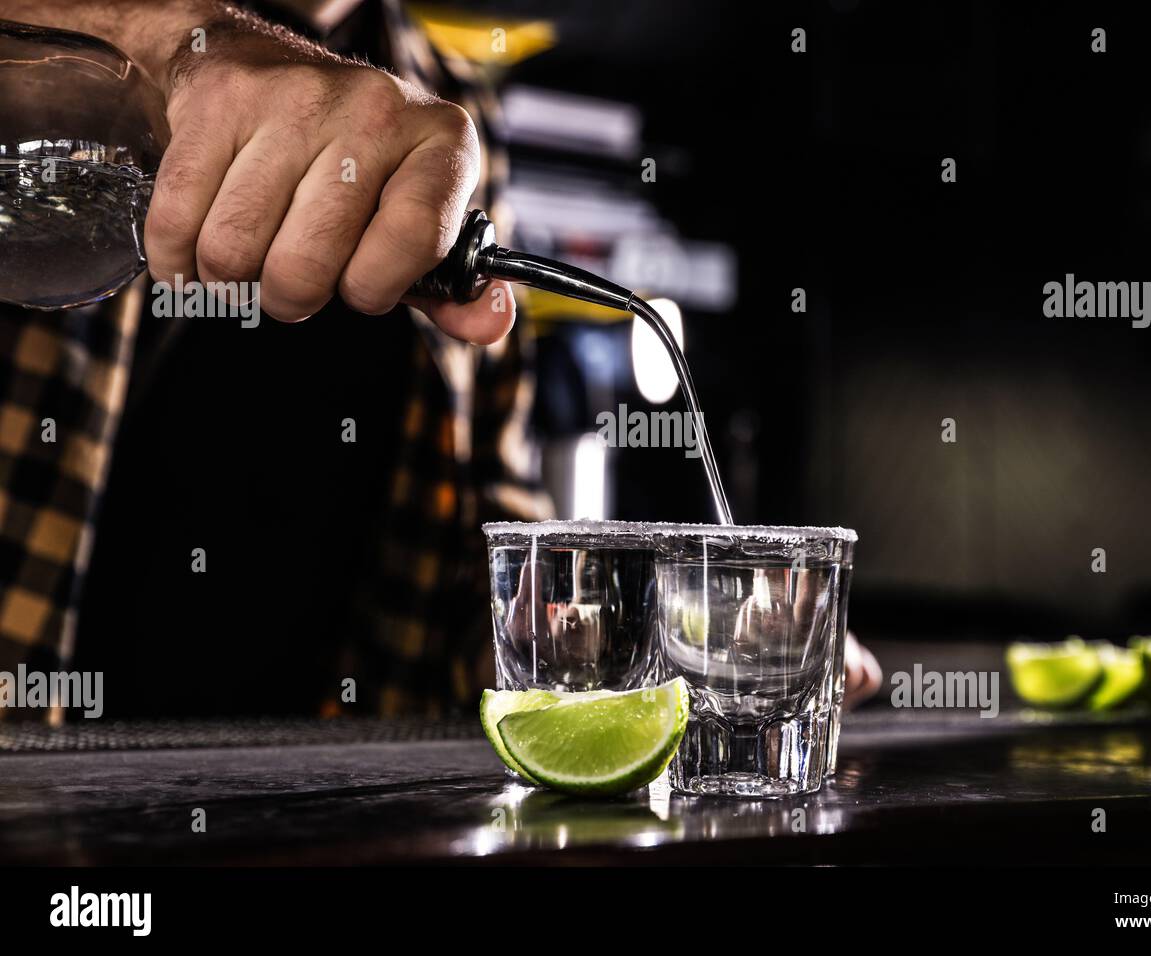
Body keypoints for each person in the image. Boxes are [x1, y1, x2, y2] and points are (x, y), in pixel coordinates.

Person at [0, 0, 880, 720]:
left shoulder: (451, 112)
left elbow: (477, 533)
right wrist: (167, 42)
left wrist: (657, 638)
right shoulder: (59, 43)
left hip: (303, 796)